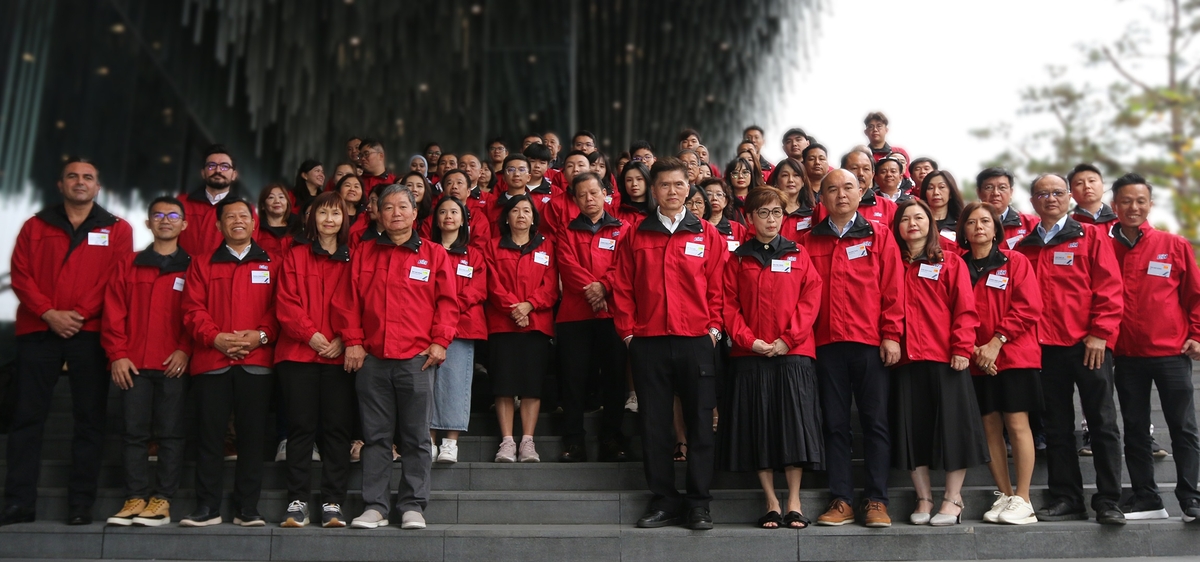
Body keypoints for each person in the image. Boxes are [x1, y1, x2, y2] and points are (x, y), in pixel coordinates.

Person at [2, 159, 134, 527]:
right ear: (60, 184)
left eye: (88, 177)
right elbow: (21, 273)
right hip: (37, 330)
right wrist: (48, 312)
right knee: (27, 418)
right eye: (73, 176)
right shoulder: (35, 225)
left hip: (88, 333)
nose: (80, 182)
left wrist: (76, 313)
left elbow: (115, 277)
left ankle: (80, 505)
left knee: (89, 420)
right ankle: (18, 503)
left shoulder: (117, 229)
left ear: (98, 187)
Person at [612, 157, 727, 531]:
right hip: (649, 342)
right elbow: (623, 286)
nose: (673, 192)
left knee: (698, 424)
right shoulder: (635, 234)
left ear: (689, 187)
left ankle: (699, 503)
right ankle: (664, 501)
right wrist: (629, 333)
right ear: (654, 189)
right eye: (665, 186)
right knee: (655, 426)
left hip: (695, 340)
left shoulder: (707, 234)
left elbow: (719, 287)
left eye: (679, 185)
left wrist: (712, 330)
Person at [342, 183, 458, 530]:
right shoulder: (364, 253)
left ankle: (412, 505)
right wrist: (353, 340)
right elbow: (349, 301)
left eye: (402, 207)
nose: (395, 213)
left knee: (416, 437)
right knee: (375, 437)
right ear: (377, 212)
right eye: (387, 207)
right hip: (373, 359)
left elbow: (448, 304)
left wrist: (440, 342)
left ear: (414, 212)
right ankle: (374, 506)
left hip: (416, 359)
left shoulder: (434, 254)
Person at [1015, 173, 1125, 525]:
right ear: (1032, 202)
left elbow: (1109, 288)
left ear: (1068, 198)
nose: (1050, 199)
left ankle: (1109, 500)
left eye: (1057, 192)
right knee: (1058, 427)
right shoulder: (1025, 247)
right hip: (1043, 350)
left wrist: (1101, 333)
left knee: (1103, 423)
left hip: (1088, 345)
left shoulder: (1090, 236)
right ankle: (1067, 498)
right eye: (1042, 194)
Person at [799, 169, 903, 529]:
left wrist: (891, 334)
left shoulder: (880, 236)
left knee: (875, 423)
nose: (841, 194)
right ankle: (841, 498)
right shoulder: (810, 241)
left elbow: (892, 288)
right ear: (822, 198)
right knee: (834, 425)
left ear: (861, 192)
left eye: (848, 187)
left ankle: (876, 499)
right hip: (826, 345)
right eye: (832, 189)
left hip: (870, 343)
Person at [718, 186, 824, 529]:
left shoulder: (798, 254)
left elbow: (811, 299)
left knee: (794, 428)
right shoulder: (737, 259)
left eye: (776, 212)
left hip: (793, 355)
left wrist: (787, 340)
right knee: (758, 428)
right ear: (749, 218)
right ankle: (771, 500)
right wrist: (750, 341)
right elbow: (728, 305)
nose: (770, 219)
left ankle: (794, 500)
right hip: (750, 357)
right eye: (762, 213)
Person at [179, 196, 279, 527]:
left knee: (252, 438)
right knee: (210, 436)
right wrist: (216, 338)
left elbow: (281, 310)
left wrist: (260, 336)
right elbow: (192, 309)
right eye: (229, 216)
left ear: (255, 224)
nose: (237, 220)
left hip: (258, 361)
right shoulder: (202, 263)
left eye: (244, 216)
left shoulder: (272, 263)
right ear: (219, 225)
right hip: (212, 360)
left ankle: (246, 509)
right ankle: (206, 507)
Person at [1108, 173, 1200, 523]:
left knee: (1183, 428)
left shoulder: (1173, 245)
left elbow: (1195, 295)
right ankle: (1146, 497)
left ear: (1150, 204)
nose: (1133, 207)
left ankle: (1191, 497)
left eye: (1140, 201)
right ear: (1115, 206)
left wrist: (1197, 334)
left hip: (1171, 353)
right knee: (1134, 427)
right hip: (1126, 355)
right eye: (1126, 201)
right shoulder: (1105, 246)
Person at [890, 199, 988, 526]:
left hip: (945, 358)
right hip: (905, 360)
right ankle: (923, 497)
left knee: (952, 430)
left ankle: (952, 498)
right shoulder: (891, 262)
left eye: (920, 217)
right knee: (912, 431)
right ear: (898, 227)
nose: (913, 224)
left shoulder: (950, 262)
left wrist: (962, 347)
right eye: (906, 219)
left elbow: (965, 309)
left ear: (931, 224)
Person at [102, 197, 192, 528]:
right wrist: (118, 354)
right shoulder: (129, 264)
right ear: (148, 223)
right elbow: (113, 313)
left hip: (174, 364)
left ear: (184, 224)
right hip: (134, 364)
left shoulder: (193, 266)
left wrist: (185, 349)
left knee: (171, 433)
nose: (165, 220)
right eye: (158, 215)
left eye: (172, 215)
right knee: (133, 433)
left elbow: (195, 314)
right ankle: (135, 497)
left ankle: (162, 500)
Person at [274, 192, 358, 528]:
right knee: (300, 430)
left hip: (338, 357)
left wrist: (344, 339)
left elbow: (357, 301)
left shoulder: (354, 257)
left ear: (343, 219)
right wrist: (311, 335)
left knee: (337, 431)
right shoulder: (294, 256)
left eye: (335, 214)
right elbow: (286, 302)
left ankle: (333, 502)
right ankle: (297, 501)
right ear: (312, 217)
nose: (329, 220)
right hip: (298, 354)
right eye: (323, 213)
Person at [957, 202, 1044, 525]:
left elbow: (1028, 307)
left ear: (996, 229)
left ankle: (1024, 498)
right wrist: (976, 349)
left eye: (985, 222)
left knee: (1017, 423)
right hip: (976, 357)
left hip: (1014, 355)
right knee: (989, 425)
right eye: (971, 222)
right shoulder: (957, 265)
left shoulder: (1015, 262)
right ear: (964, 231)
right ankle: (1005, 494)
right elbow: (952, 311)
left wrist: (996, 343)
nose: (979, 227)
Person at [555, 172, 631, 462]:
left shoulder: (622, 229)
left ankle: (612, 437)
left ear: (605, 194)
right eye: (582, 195)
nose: (589, 199)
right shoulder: (566, 230)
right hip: (575, 314)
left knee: (613, 379)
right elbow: (566, 263)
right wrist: (593, 288)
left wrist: (604, 287)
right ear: (575, 199)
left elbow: (623, 265)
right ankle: (574, 441)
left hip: (612, 314)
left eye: (594, 193)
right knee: (574, 380)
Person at [484, 195, 559, 463]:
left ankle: (527, 441)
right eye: (515, 210)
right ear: (506, 217)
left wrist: (529, 305)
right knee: (503, 385)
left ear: (534, 217)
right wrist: (514, 309)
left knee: (531, 387)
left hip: (536, 325)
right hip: (502, 325)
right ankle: (507, 441)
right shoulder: (492, 247)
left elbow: (550, 285)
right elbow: (491, 283)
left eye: (527, 210)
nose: (521, 215)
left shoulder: (546, 246)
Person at [429, 196, 487, 464]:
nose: (448, 216)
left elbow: (478, 289)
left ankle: (450, 442)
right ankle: (427, 441)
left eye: (454, 211)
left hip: (463, 327)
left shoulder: (473, 254)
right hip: (427, 326)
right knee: (427, 385)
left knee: (456, 383)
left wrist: (450, 306)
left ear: (464, 219)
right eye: (443, 211)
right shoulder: (426, 250)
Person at [178, 145, 257, 258]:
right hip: (182, 272)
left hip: (222, 273)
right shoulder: (181, 204)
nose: (218, 170)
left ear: (234, 175)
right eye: (211, 166)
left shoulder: (246, 210)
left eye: (225, 166)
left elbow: (248, 252)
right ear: (203, 173)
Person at [976, 167, 1038, 250]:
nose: (996, 193)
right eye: (989, 187)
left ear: (1011, 192)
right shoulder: (968, 224)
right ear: (979, 192)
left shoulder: (1031, 223)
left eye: (1002, 187)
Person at [842, 149, 897, 229]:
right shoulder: (827, 205)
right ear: (843, 171)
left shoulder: (888, 207)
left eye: (866, 169)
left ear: (872, 174)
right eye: (854, 168)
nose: (860, 173)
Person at [769, 158, 815, 241]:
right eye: (785, 175)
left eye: (796, 175)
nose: (791, 180)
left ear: (803, 181)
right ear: (776, 181)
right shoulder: (766, 212)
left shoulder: (813, 213)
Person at [921, 170, 966, 253]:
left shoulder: (962, 225)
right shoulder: (918, 223)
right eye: (930, 188)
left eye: (941, 187)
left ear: (951, 193)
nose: (936, 192)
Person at [257, 183, 301, 259]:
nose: (277, 201)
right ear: (263, 206)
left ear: (288, 203)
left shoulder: (298, 228)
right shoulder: (256, 228)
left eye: (281, 197)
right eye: (271, 197)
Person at [700, 178, 746, 250]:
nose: (714, 198)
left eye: (719, 194)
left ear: (726, 201)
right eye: (708, 194)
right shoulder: (696, 228)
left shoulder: (739, 230)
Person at [615, 161, 654, 226]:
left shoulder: (659, 211)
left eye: (639, 179)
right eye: (629, 180)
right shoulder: (616, 211)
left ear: (647, 180)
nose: (634, 184)